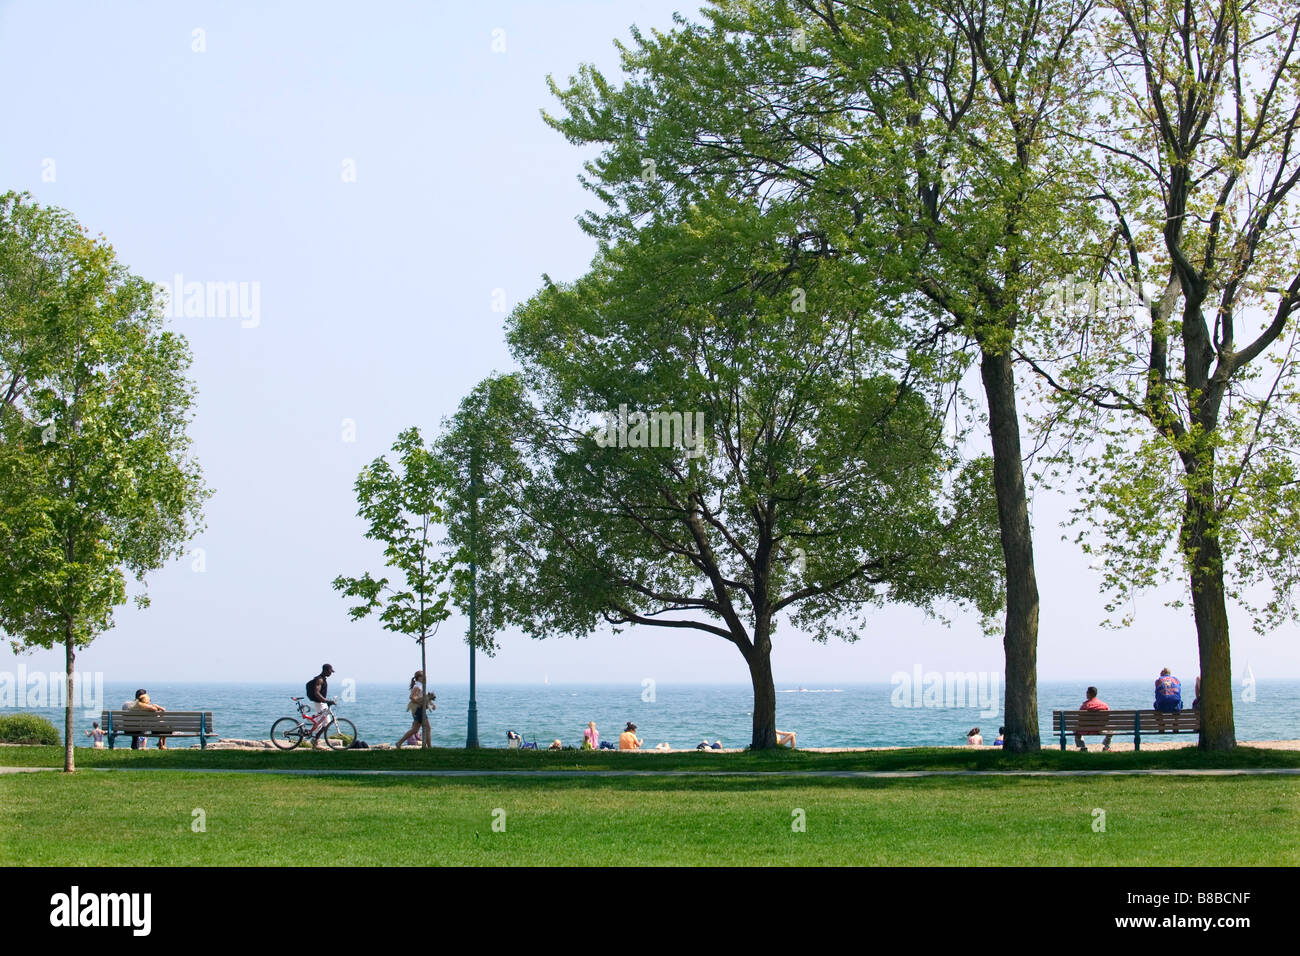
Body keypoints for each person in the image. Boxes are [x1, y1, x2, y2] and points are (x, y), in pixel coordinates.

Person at [396, 670, 436, 749]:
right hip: (419, 710)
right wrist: (420, 703)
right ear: (419, 677)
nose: (425, 678)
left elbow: (423, 697)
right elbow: (411, 697)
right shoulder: (418, 686)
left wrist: (431, 703)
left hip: (419, 710)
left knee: (415, 729)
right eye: (423, 677)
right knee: (428, 728)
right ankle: (429, 747)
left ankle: (399, 743)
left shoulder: (420, 685)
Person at [306, 664, 337, 748]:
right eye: (330, 671)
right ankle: (315, 740)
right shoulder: (319, 679)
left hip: (322, 703)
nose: (331, 673)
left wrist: (326, 701)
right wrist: (327, 701)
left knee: (320, 722)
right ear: (326, 670)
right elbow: (317, 693)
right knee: (326, 723)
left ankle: (314, 738)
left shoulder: (322, 679)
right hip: (319, 703)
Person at [1075, 686, 1113, 752]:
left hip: (1086, 730)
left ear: (1089, 694)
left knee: (1076, 731)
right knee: (1111, 730)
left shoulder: (1084, 706)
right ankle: (1106, 746)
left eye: (1087, 692)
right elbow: (1107, 719)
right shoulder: (1104, 705)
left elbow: (1080, 720)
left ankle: (1083, 747)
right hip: (1100, 729)